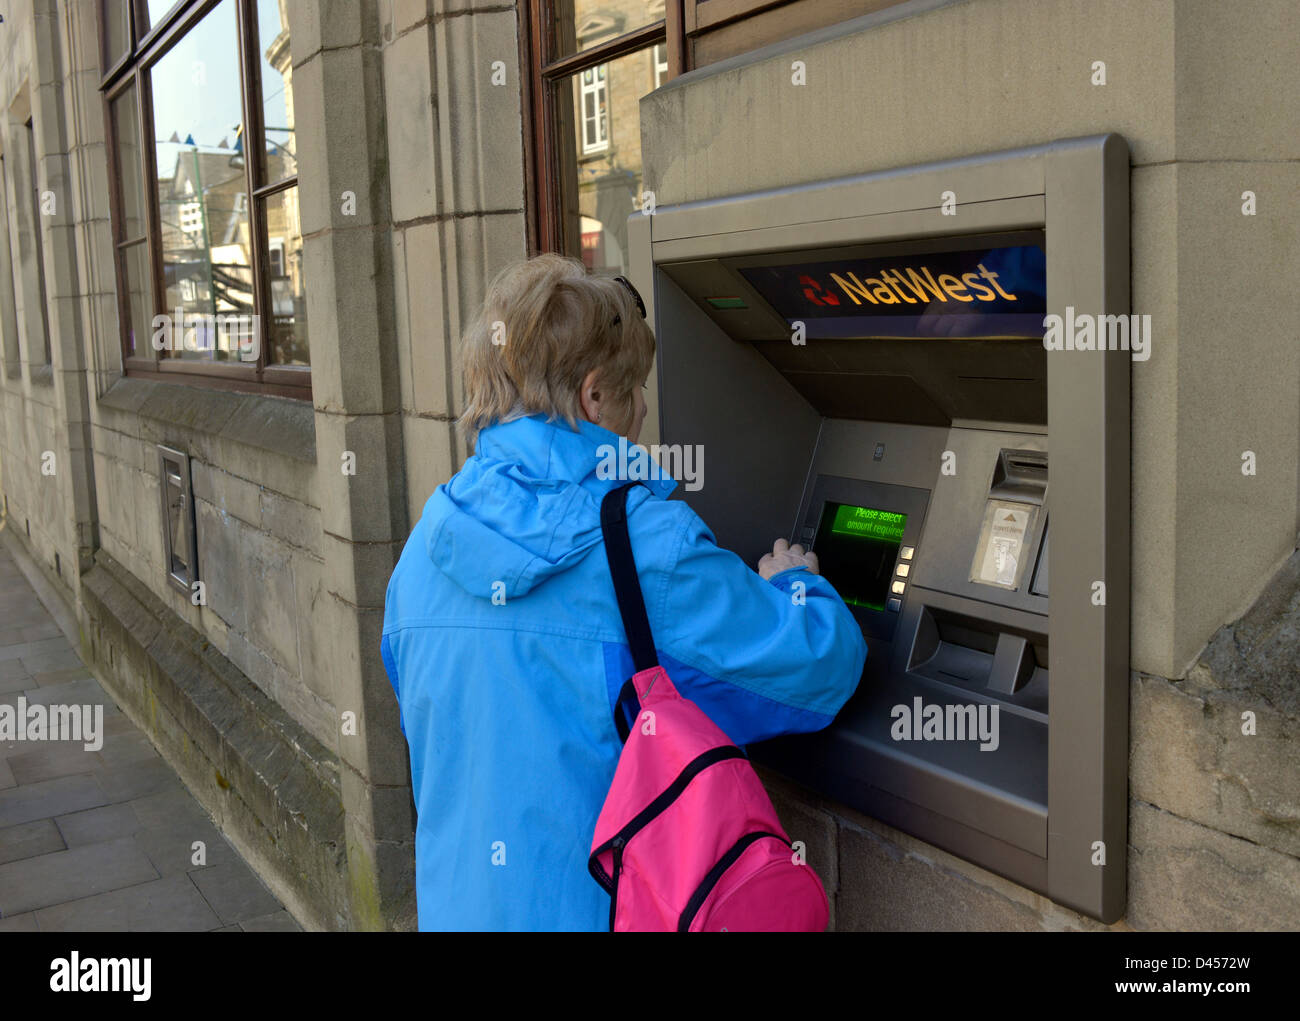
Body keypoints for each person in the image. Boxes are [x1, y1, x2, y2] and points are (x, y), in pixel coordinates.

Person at [380, 253, 867, 931]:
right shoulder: (645, 545)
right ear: (593, 395)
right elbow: (818, 667)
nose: (642, 411)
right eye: (635, 389)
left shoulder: (425, 549)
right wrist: (795, 584)